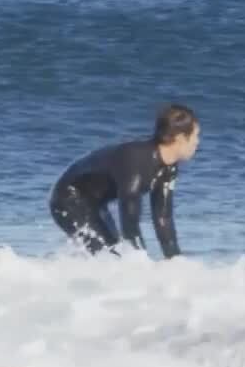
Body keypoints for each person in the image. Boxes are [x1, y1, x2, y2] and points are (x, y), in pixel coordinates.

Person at [48, 103, 200, 259]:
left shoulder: (169, 168)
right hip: (67, 199)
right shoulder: (135, 160)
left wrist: (176, 262)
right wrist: (142, 262)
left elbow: (163, 219)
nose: (197, 142)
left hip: (96, 204)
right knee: (109, 255)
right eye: (196, 136)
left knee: (115, 251)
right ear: (181, 138)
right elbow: (130, 224)